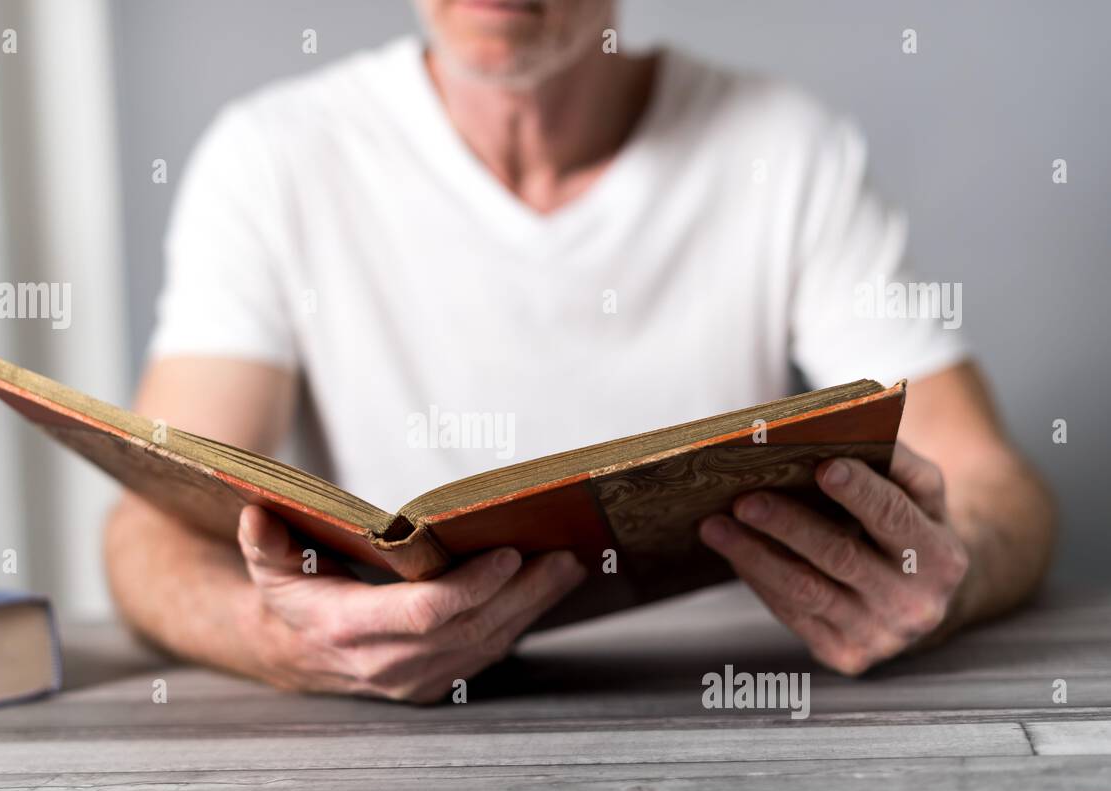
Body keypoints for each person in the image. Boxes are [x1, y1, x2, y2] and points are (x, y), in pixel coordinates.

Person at [105, 0, 1055, 702]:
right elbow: (149, 525)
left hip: (729, 698)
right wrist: (275, 638)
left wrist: (946, 577)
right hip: (404, 738)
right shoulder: (272, 157)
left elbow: (991, 478)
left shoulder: (783, 147)